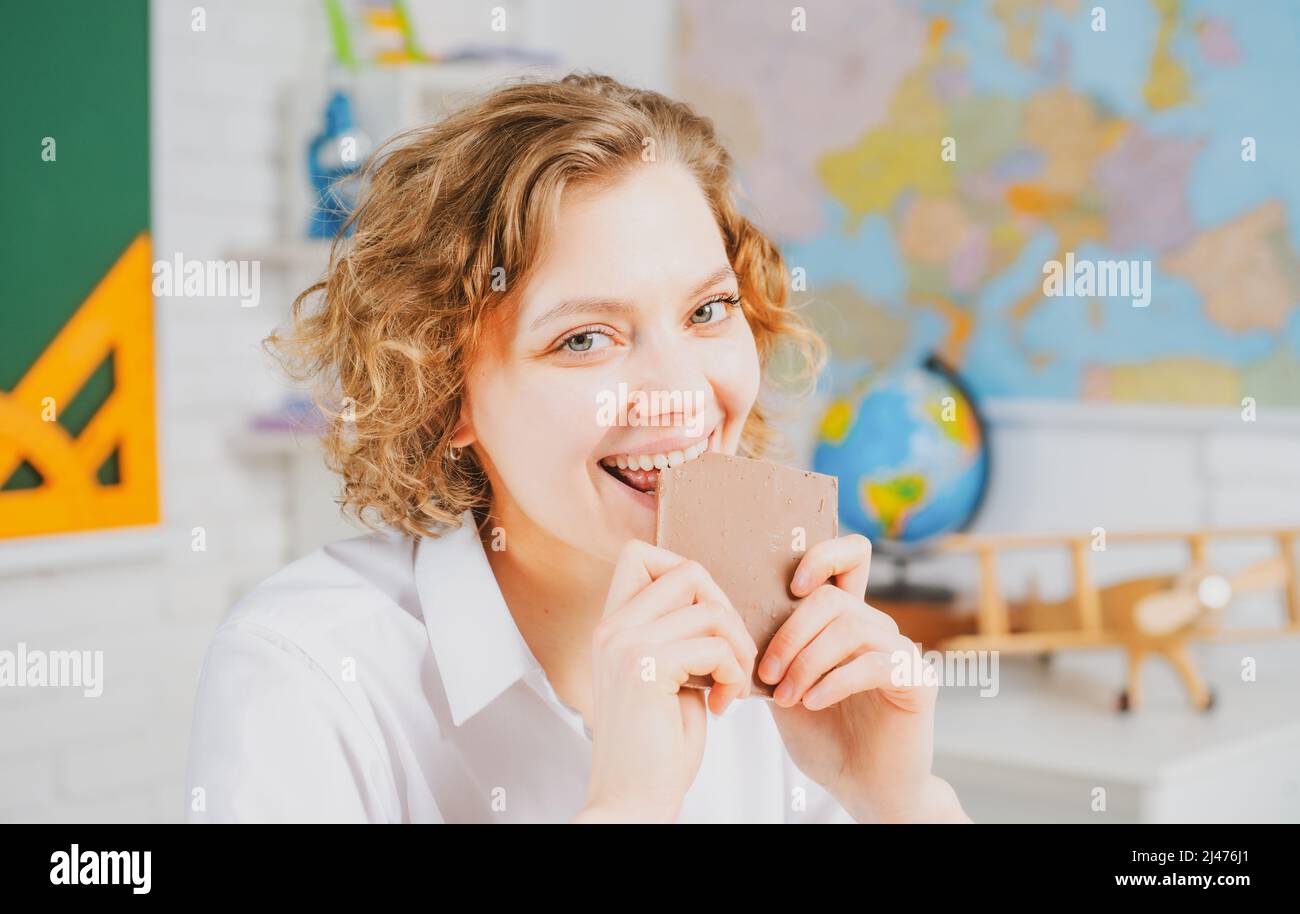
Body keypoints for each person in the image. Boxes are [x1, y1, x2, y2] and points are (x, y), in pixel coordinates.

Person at [184, 72, 969, 824]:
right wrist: (629, 808)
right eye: (585, 338)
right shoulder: (307, 672)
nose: (684, 391)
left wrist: (900, 801)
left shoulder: (792, 670)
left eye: (708, 310)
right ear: (447, 392)